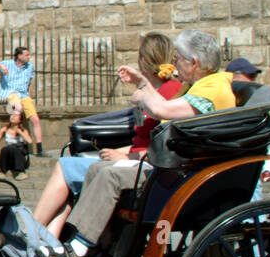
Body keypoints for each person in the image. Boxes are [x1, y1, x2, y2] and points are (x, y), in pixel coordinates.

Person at [42, 30, 234, 257]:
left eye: (178, 58)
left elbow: (164, 111)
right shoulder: (201, 84)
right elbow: (167, 105)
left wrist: (142, 98)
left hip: (182, 175)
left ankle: (80, 248)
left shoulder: (212, 89)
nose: (173, 63)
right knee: (97, 169)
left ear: (193, 63)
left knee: (110, 174)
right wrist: (143, 83)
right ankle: (94, 241)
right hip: (178, 168)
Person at [33, 32, 181, 236]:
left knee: (65, 167)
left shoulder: (171, 90)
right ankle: (47, 236)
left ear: (145, 59)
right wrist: (119, 151)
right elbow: (143, 138)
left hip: (145, 165)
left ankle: (35, 230)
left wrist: (126, 156)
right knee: (71, 172)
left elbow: (165, 140)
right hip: (136, 158)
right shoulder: (154, 89)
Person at [0, 46, 44, 155]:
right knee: (18, 108)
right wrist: (0, 66)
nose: (29, 57)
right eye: (27, 55)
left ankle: (40, 148)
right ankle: (14, 142)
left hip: (24, 95)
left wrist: (29, 98)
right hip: (10, 92)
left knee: (35, 119)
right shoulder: (7, 63)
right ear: (19, 56)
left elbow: (29, 83)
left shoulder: (30, 67)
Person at [0, 109, 33, 179]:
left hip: (19, 157)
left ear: (20, 119)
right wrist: (1, 132)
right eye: (12, 115)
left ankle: (20, 172)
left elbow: (30, 141)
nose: (13, 116)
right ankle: (2, 171)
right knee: (5, 149)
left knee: (14, 148)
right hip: (9, 155)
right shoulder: (5, 129)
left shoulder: (23, 130)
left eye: (16, 115)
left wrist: (20, 132)